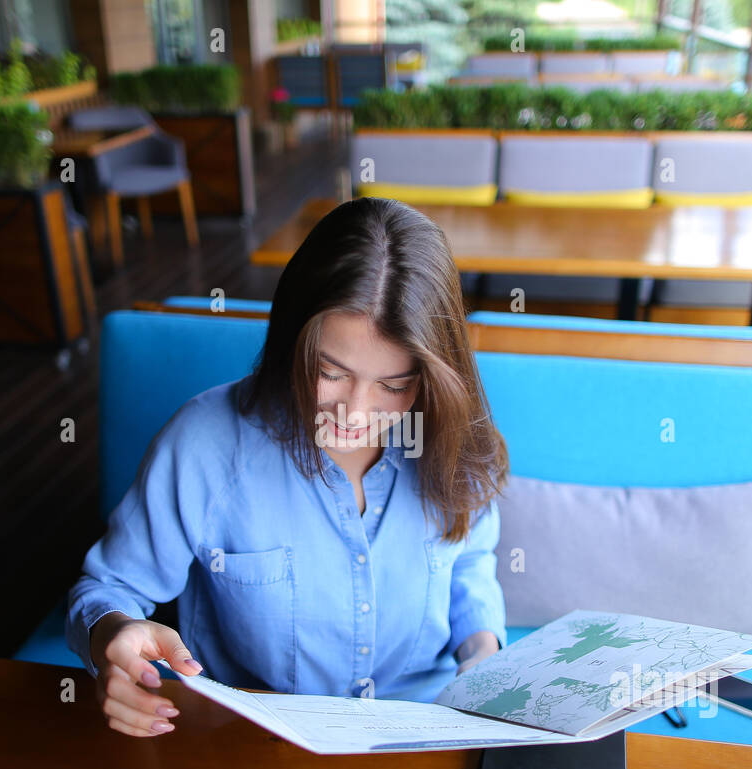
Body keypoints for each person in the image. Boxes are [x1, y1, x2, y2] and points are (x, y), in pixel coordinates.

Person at [66, 197, 510, 738]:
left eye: (395, 386)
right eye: (331, 372)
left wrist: (482, 655)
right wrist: (111, 636)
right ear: (292, 341)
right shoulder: (206, 446)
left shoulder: (446, 433)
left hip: (426, 726)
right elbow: (109, 587)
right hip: (257, 740)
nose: (357, 414)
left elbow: (468, 562)